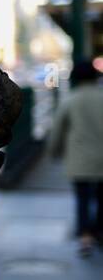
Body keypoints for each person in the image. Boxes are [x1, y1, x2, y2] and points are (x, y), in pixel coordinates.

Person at [47, 60, 103, 256]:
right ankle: (99, 232)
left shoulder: (70, 100)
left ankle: (85, 237)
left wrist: (53, 152)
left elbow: (58, 130)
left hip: (80, 160)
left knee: (82, 199)